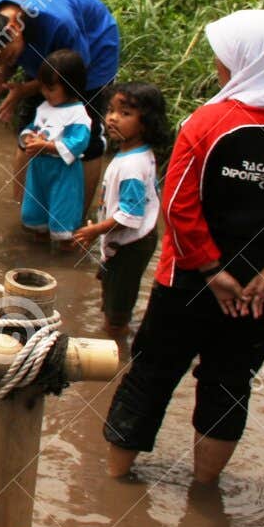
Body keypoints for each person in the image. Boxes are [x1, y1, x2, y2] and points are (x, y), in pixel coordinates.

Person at [104, 8, 264, 485]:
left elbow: (177, 202)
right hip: (261, 294)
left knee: (150, 375)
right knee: (229, 385)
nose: (218, 66)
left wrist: (213, 270)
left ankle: (114, 487)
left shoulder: (210, 122)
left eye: (223, 57)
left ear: (243, 61)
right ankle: (204, 490)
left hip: (188, 284)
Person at [0, 0, 121, 207]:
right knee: (30, 132)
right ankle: (27, 212)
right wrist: (3, 75)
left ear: (13, 29)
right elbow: (9, 55)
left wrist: (25, 89)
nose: (5, 63)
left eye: (7, 58)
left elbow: (74, 72)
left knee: (86, 136)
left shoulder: (59, 23)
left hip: (92, 52)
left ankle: (76, 221)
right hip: (38, 46)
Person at [73, 83, 170, 337]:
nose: (113, 118)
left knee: (117, 309)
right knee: (114, 291)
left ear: (146, 123)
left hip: (131, 243)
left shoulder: (132, 166)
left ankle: (116, 343)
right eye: (111, 110)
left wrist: (94, 230)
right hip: (126, 241)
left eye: (125, 113)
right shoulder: (133, 154)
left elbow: (130, 216)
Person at [17, 49, 92, 248]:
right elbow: (31, 128)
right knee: (35, 214)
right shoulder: (44, 108)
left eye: (51, 89)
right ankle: (41, 250)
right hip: (38, 171)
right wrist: (28, 138)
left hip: (63, 174)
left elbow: (78, 142)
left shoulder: (78, 113)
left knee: (62, 219)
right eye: (43, 88)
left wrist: (48, 147)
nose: (45, 93)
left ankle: (66, 254)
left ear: (70, 87)